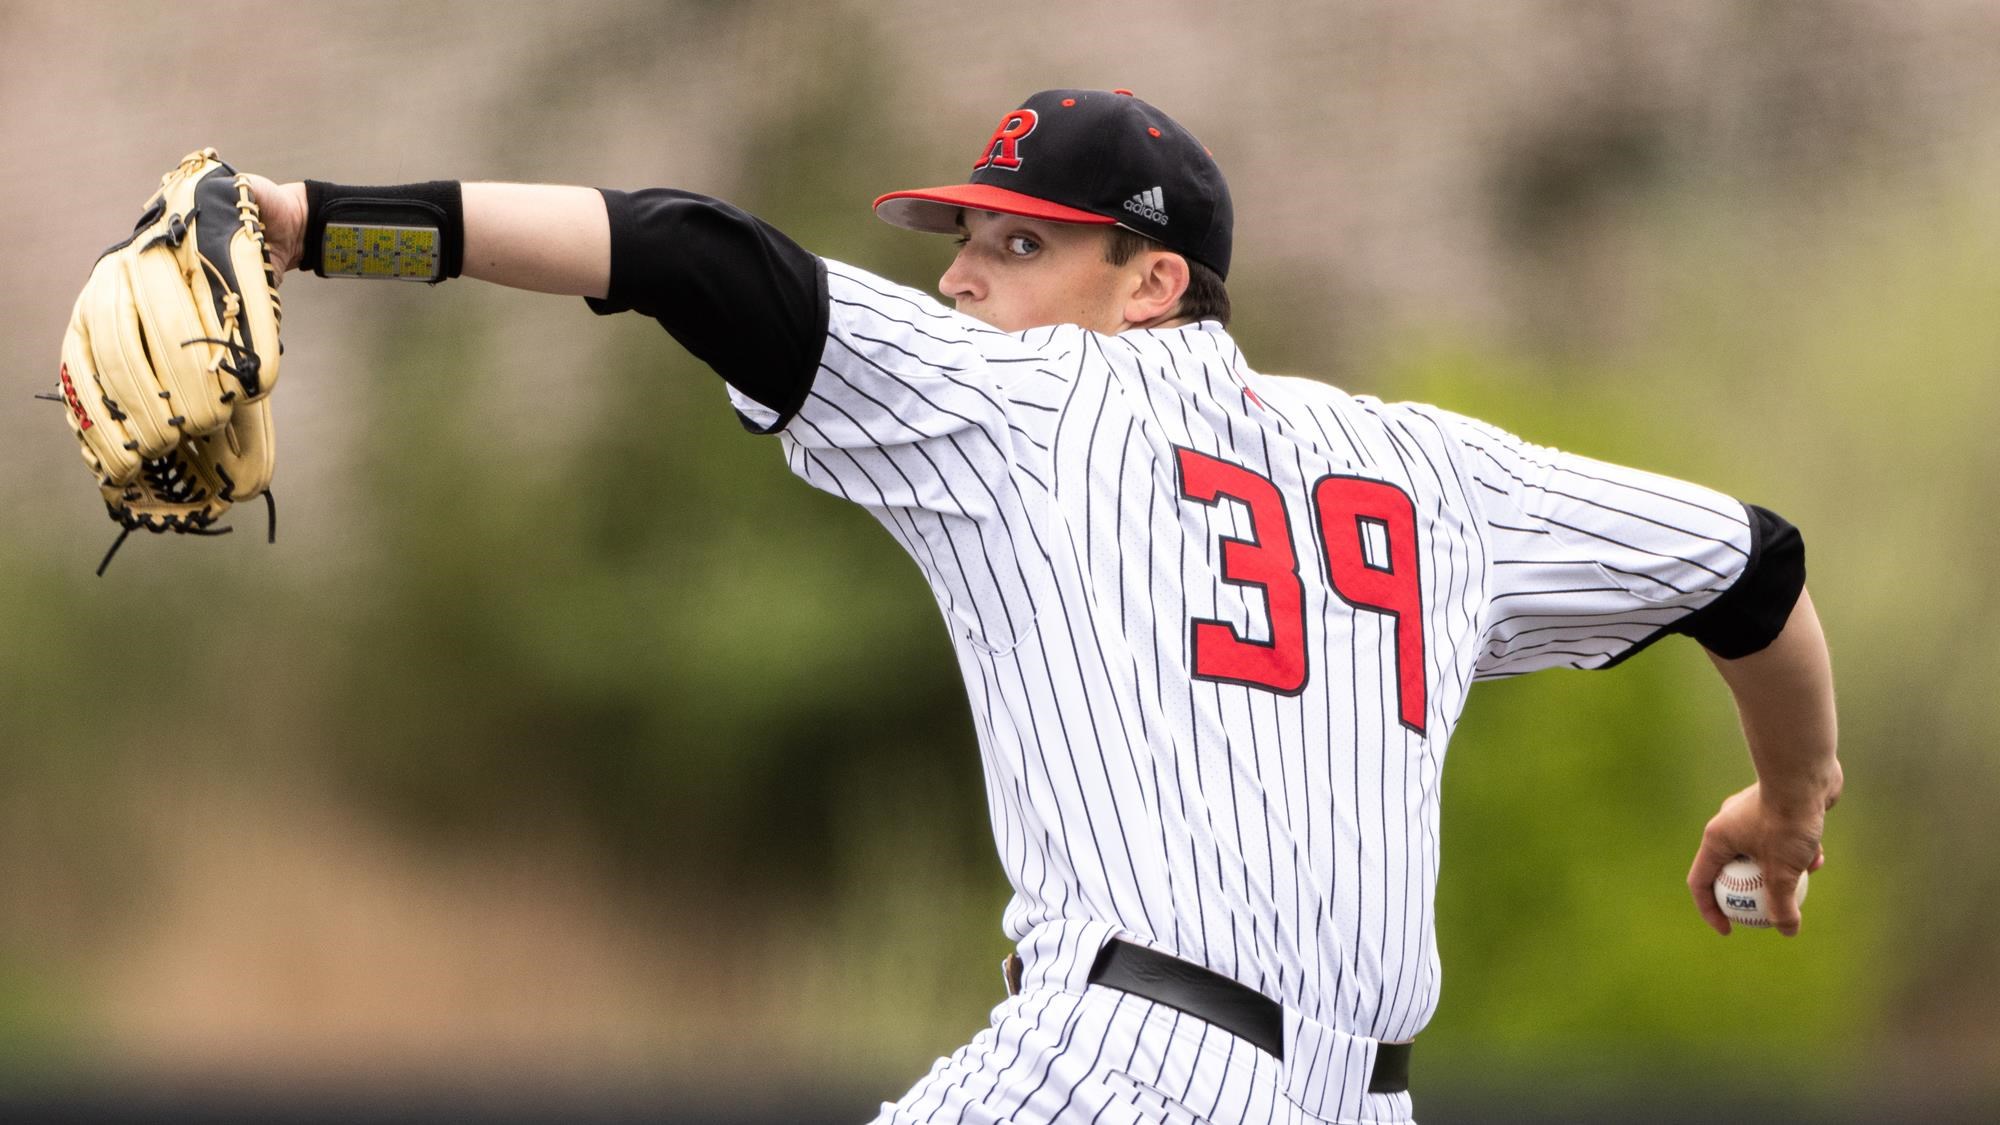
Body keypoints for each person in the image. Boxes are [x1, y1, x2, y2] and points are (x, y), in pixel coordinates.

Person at [242, 88, 1841, 1124]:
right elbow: (1755, 565)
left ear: (1152, 283)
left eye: (1017, 244)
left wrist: (313, 222)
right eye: (962, 246)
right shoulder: (1434, 475)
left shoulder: (1032, 403)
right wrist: (1789, 793)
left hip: (1122, 1068)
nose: (961, 282)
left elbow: (683, 251)